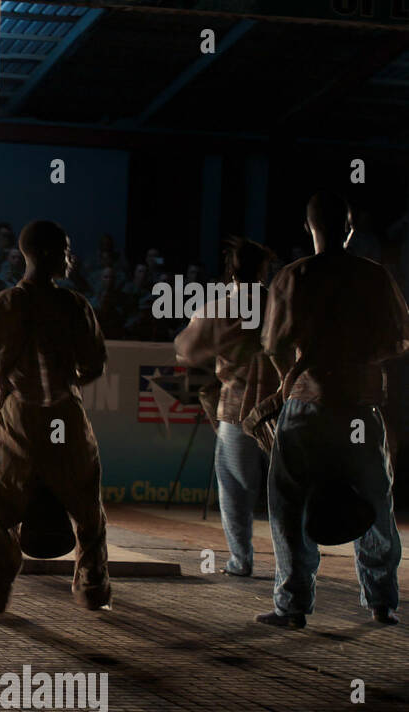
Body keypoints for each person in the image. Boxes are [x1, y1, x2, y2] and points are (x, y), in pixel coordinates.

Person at [258, 191, 409, 628]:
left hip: (306, 403)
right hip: (360, 406)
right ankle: (382, 601)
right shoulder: (374, 277)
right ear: (349, 228)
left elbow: (272, 344)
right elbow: (398, 341)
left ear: (309, 228)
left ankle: (293, 605)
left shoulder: (293, 276)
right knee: (376, 500)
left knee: (288, 503)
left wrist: (297, 367)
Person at [0, 220, 111, 614]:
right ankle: (92, 590)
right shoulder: (75, 305)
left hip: (19, 420)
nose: (71, 258)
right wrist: (66, 380)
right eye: (65, 250)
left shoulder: (0, 306)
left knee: (0, 507)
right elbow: (95, 364)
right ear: (48, 254)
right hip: (66, 418)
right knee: (86, 505)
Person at [174, 237, 277, 577]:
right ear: (263, 270)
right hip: (279, 407)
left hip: (235, 409)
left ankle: (241, 560)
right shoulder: (279, 304)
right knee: (285, 489)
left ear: (231, 270)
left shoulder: (218, 307)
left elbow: (185, 350)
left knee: (234, 489)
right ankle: (292, 569)